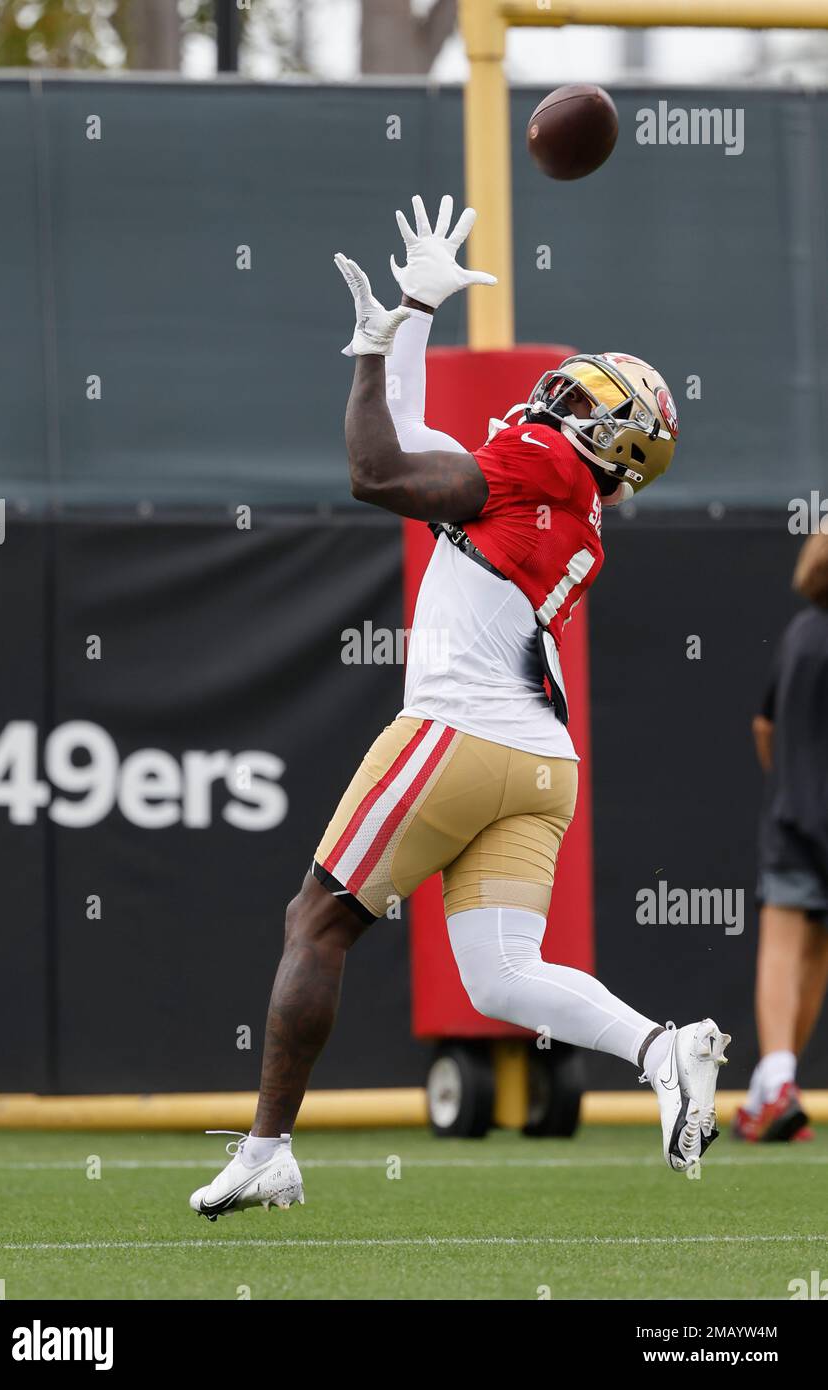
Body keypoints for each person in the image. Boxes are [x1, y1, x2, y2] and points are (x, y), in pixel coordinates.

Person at [190, 195, 730, 1220]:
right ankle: (662, 1047)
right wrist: (410, 310)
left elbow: (373, 467)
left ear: (605, 434)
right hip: (540, 766)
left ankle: (267, 1147)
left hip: (458, 731)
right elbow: (415, 437)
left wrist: (368, 346)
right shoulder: (569, 513)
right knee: (499, 979)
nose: (558, 393)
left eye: (585, 394)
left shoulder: (537, 463)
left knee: (316, 919)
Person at [735, 532, 828, 1142]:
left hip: (796, 818)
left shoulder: (799, 635)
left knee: (783, 948)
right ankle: (773, 1093)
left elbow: (764, 727)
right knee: (816, 951)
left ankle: (778, 1084)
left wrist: (795, 777)